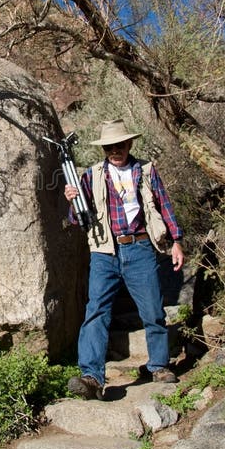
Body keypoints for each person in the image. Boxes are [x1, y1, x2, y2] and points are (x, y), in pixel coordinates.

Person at [64, 119, 184, 400]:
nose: (115, 151)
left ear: (129, 144)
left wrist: (177, 241)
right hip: (104, 252)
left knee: (153, 309)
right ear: (104, 149)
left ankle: (158, 366)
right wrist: (72, 201)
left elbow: (164, 204)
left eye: (119, 145)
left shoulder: (146, 170)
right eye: (109, 147)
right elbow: (79, 220)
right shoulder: (91, 175)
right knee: (96, 311)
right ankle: (92, 377)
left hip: (140, 247)